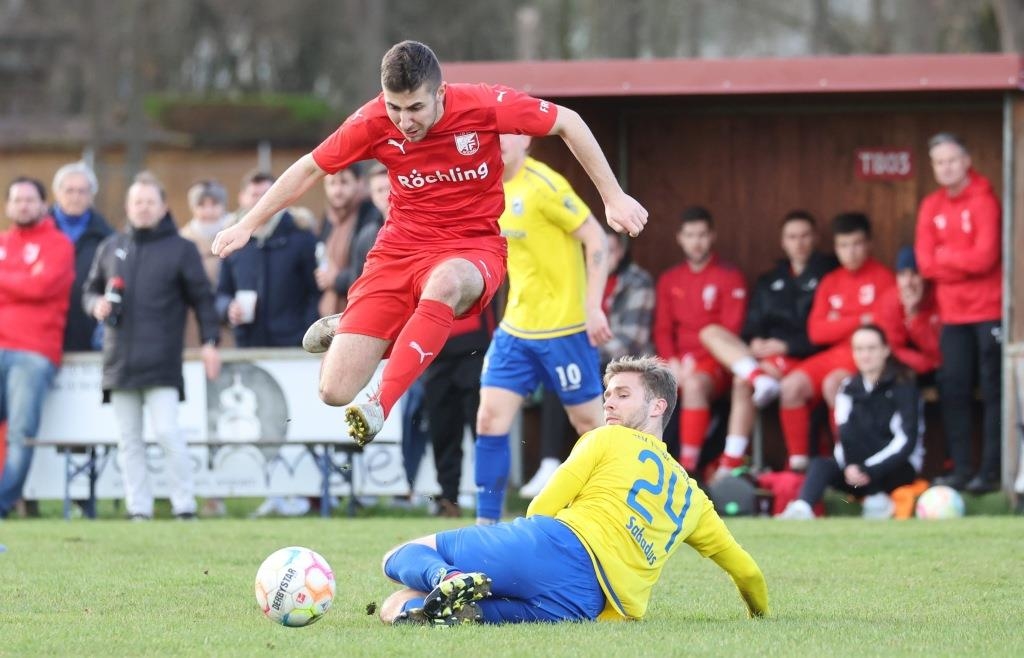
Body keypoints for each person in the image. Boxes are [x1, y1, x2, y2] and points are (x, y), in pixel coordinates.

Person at [211, 41, 647, 450]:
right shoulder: (372, 121)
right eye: (395, 108)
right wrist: (249, 224)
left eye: (416, 107)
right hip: (399, 251)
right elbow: (309, 169)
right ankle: (351, 325)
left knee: (445, 282)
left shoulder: (481, 104)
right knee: (334, 389)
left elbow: (568, 121)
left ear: (440, 93)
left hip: (473, 248)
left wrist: (613, 196)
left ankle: (380, 403)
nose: (405, 120)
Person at [376, 355, 769, 625]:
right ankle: (437, 606)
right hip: (583, 603)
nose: (608, 402)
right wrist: (759, 616)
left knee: (399, 556)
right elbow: (748, 573)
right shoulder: (695, 498)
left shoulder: (608, 439)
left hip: (555, 546)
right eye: (608, 393)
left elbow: (543, 507)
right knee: (399, 605)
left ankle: (447, 576)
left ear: (657, 407)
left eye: (623, 394)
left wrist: (528, 552)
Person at [474, 133, 612, 524]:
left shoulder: (546, 186)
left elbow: (596, 237)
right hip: (516, 330)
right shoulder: (485, 187)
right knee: (489, 419)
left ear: (527, 140)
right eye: (492, 133)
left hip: (565, 330)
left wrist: (592, 306)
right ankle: (487, 526)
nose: (498, 140)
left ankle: (608, 516)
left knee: (591, 427)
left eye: (508, 134)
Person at [83, 172, 221, 520]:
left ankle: (184, 505)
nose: (142, 208)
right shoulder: (110, 247)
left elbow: (203, 300)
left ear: (163, 207)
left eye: (149, 202)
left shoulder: (181, 249)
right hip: (119, 361)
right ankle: (138, 508)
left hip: (162, 362)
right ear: (128, 207)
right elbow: (89, 291)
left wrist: (209, 342)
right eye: (137, 202)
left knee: (166, 433)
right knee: (128, 439)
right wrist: (94, 305)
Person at [700, 210, 837, 479]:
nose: (799, 243)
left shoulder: (828, 274)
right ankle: (757, 377)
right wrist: (757, 342)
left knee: (742, 383)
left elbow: (823, 331)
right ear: (783, 242)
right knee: (710, 333)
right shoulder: (770, 280)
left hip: (807, 358)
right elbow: (751, 326)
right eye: (792, 237)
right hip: (769, 359)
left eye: (804, 236)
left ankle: (731, 461)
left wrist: (786, 346)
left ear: (815, 238)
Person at [521, 227, 655, 499]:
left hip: (625, 365)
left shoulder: (637, 280)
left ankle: (615, 473)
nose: (604, 258)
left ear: (622, 252)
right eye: (599, 252)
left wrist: (579, 346)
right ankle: (549, 464)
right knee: (557, 374)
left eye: (611, 251)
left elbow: (630, 341)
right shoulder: (575, 281)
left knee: (574, 370)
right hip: (583, 359)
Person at [914, 133, 1002, 494]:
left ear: (966, 161)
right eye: (939, 162)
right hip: (952, 316)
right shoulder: (931, 205)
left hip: (989, 311)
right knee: (954, 392)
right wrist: (954, 262)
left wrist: (946, 258)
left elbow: (985, 258)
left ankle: (992, 470)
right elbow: (924, 264)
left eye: (952, 160)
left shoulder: (984, 200)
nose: (946, 167)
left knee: (995, 393)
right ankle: (962, 470)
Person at [776, 212, 895, 472]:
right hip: (832, 355)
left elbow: (884, 329)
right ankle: (799, 466)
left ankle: (847, 463)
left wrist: (838, 321)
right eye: (843, 245)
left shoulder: (883, 278)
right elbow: (816, 332)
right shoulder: (831, 281)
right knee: (789, 387)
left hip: (863, 358)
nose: (850, 252)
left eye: (856, 244)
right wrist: (860, 318)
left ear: (868, 244)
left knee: (835, 385)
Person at [777, 325, 924, 519]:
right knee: (822, 464)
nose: (866, 355)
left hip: (895, 468)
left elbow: (905, 442)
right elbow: (843, 436)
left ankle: (877, 497)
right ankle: (802, 508)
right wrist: (851, 467)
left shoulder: (903, 384)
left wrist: (868, 469)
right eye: (860, 349)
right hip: (858, 471)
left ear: (885, 350)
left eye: (871, 348)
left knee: (879, 450)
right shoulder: (848, 388)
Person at [0, 177, 75, 518]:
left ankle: (3, 504)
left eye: (30, 199)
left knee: (20, 432)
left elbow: (41, 286)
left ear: (44, 204)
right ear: (7, 206)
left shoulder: (58, 244)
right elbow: (28, 285)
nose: (23, 205)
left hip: (32, 351)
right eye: (17, 199)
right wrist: (22, 280)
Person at [653, 206, 747, 474]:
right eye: (690, 235)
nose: (697, 242)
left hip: (715, 365)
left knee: (693, 385)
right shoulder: (670, 279)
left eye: (702, 235)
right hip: (677, 364)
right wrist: (671, 362)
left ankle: (687, 470)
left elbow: (731, 332)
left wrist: (693, 367)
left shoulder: (729, 276)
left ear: (712, 236)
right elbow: (662, 329)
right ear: (679, 238)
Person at [216, 174, 320, 349]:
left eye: (267, 195)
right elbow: (221, 293)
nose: (260, 202)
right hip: (247, 344)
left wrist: (305, 331)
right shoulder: (232, 240)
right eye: (254, 195)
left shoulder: (301, 237)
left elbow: (315, 292)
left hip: (294, 345)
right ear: (242, 198)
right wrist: (228, 308)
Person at [50, 161, 114, 352]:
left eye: (82, 191)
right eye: (69, 191)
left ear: (91, 196)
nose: (75, 197)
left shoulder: (106, 237)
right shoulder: (39, 233)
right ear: (57, 193)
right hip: (45, 328)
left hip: (89, 327)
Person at [314, 162, 383, 317]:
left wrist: (336, 279)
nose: (337, 191)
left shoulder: (371, 217)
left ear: (360, 183)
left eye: (344, 182)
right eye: (332, 183)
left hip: (361, 312)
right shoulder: (328, 219)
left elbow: (369, 270)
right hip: (329, 313)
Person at [180, 179, 234, 350]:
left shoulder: (236, 236)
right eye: (202, 205)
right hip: (193, 323)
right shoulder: (182, 241)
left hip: (229, 323)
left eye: (214, 204)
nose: (208, 211)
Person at [875, 246, 941, 377]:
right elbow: (890, 348)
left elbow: (941, 352)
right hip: (918, 365)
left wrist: (915, 317)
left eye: (915, 273)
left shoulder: (939, 297)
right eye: (902, 274)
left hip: (938, 368)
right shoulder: (890, 300)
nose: (908, 282)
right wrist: (926, 363)